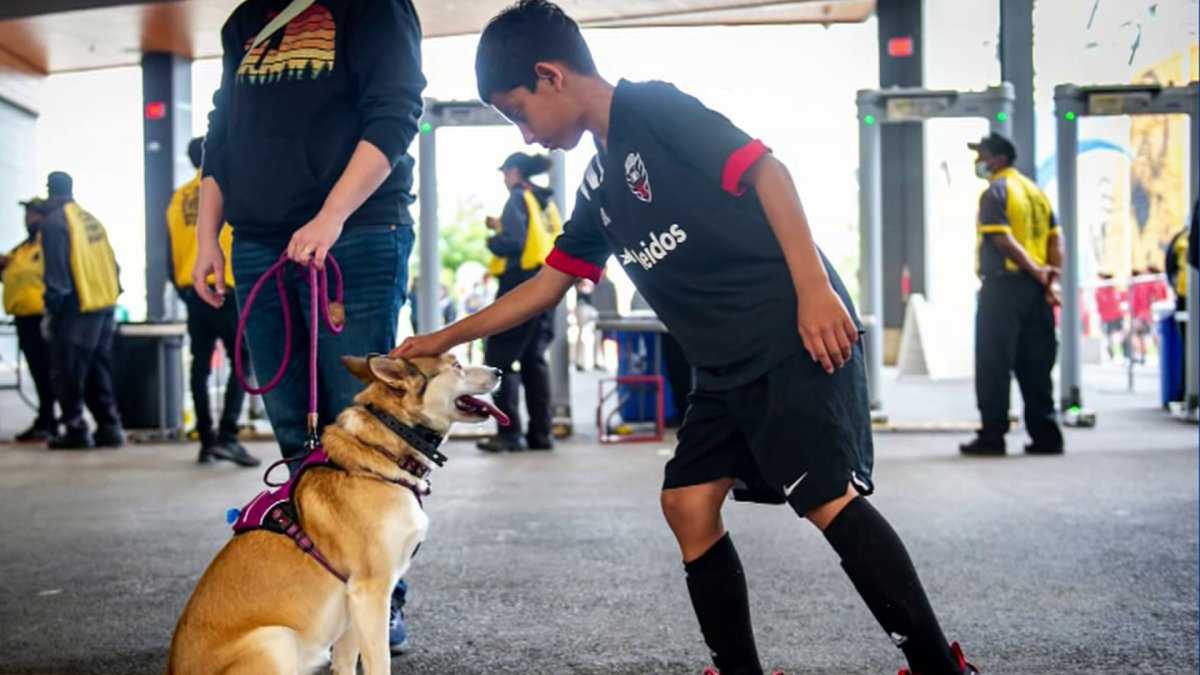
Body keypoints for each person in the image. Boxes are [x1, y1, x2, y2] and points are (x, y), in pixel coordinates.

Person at [395, 3, 979, 673]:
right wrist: (440, 336)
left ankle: (940, 666)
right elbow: (547, 284)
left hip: (786, 329)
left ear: (550, 75)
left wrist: (815, 289)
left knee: (824, 498)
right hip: (725, 364)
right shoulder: (597, 182)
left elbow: (768, 172)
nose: (525, 134)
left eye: (518, 111)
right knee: (687, 501)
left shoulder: (655, 109)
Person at [194, 0, 426, 653]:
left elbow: (396, 112)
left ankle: (382, 595)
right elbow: (222, 132)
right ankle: (327, 583)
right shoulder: (244, 21)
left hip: (354, 231)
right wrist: (206, 235)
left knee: (365, 429)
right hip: (258, 239)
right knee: (292, 422)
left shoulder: (374, 8)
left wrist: (331, 215)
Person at [961, 132, 1065, 457]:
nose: (980, 162)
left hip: (1003, 288)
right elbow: (1055, 242)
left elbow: (1002, 241)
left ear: (1000, 159)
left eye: (984, 156)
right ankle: (1046, 435)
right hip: (1036, 292)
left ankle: (992, 436)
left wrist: (1035, 271)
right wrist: (1049, 281)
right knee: (1037, 362)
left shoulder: (996, 191)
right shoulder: (1036, 194)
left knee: (994, 362)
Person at [167, 137, 259, 467]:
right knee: (243, 361)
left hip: (194, 291)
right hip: (227, 288)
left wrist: (187, 291)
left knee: (200, 367)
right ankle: (228, 438)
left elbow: (169, 252)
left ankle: (206, 441)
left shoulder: (179, 198)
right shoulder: (227, 186)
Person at [475, 151, 561, 453]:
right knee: (533, 360)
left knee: (499, 356)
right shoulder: (545, 203)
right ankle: (542, 433)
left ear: (514, 172)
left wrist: (491, 240)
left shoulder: (516, 198)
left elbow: (514, 241)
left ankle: (509, 433)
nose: (503, 179)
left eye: (505, 173)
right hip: (549, 283)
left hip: (520, 284)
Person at [37, 172, 126, 450]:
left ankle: (76, 429)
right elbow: (113, 263)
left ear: (50, 191)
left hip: (77, 307)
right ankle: (109, 426)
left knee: (67, 370)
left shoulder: (54, 223)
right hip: (103, 304)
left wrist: (52, 311)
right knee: (96, 368)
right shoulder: (89, 218)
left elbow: (57, 275)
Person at [2, 198, 57, 442]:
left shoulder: (50, 245)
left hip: (42, 317)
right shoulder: (22, 250)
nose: (29, 219)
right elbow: (15, 276)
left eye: (33, 214)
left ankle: (51, 420)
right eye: (27, 215)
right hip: (24, 318)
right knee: (38, 372)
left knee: (48, 372)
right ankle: (46, 419)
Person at [1093, 272, 1126, 361]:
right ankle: (1112, 355)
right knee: (1109, 338)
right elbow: (1099, 306)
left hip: (1116, 316)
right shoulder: (1100, 292)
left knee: (1120, 335)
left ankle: (1124, 354)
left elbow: (1123, 298)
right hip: (1106, 318)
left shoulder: (1114, 291)